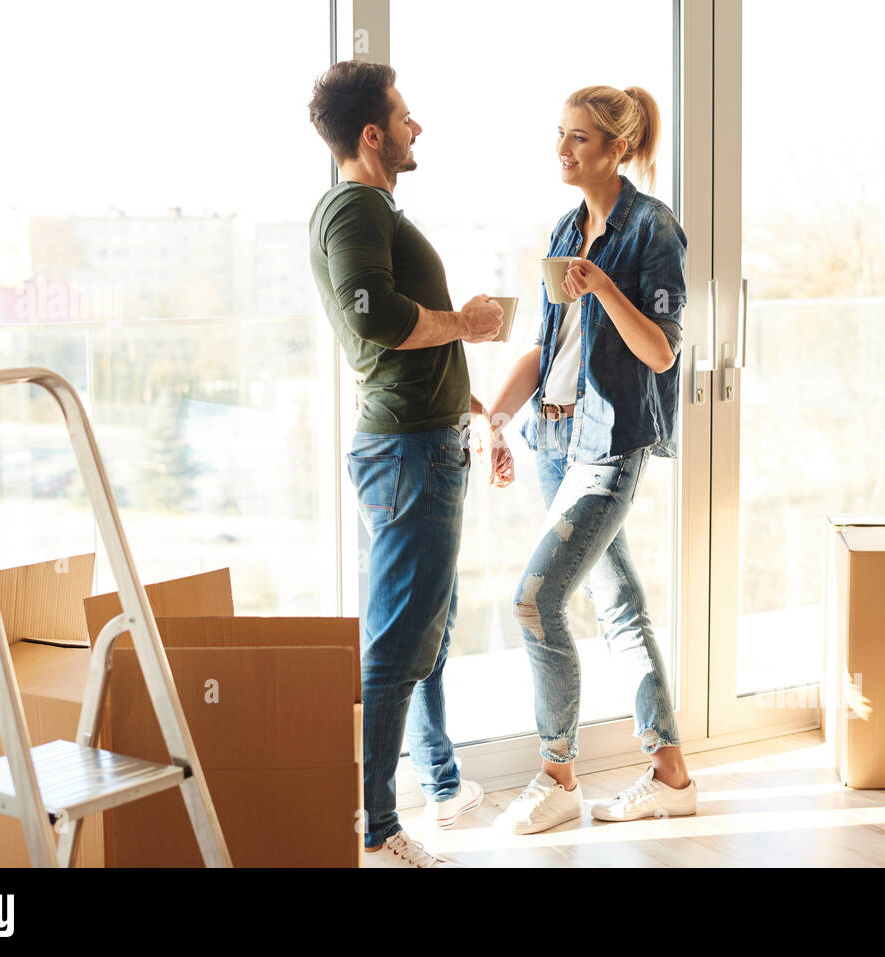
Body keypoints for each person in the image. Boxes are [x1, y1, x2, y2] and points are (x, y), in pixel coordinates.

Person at [484, 85, 696, 834]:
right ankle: (671, 775)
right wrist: (497, 419)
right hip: (555, 443)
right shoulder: (566, 226)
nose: (562, 150)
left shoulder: (652, 228)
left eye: (578, 138)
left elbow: (661, 352)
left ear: (616, 148)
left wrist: (603, 285)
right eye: (561, 134)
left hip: (610, 447)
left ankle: (557, 775)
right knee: (619, 605)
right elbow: (547, 347)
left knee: (535, 602)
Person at [307, 60, 502, 867]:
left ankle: (440, 784)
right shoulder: (355, 207)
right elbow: (376, 317)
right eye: (404, 116)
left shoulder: (373, 208)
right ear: (373, 134)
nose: (417, 126)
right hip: (409, 450)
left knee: (428, 627)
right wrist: (467, 324)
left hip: (427, 438)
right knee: (397, 642)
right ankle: (377, 829)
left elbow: (395, 339)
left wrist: (469, 401)